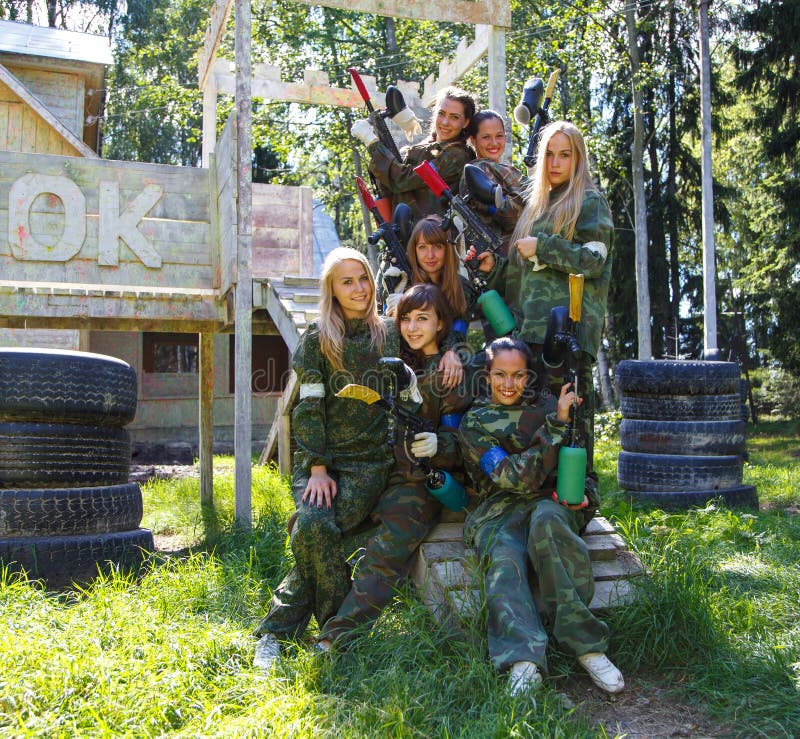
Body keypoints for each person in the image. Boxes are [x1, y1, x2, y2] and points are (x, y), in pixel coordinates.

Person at [254, 247, 400, 666]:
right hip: (319, 464)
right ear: (332, 290)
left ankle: (276, 633)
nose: (358, 288)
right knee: (316, 525)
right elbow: (307, 408)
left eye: (363, 279)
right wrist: (317, 468)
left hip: (369, 465)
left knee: (313, 531)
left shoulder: (387, 333)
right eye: (346, 281)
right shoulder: (319, 338)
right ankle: (335, 631)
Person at [458, 337, 624, 695]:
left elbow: (587, 476)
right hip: (498, 512)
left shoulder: (558, 406)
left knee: (548, 523)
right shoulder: (475, 423)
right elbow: (515, 478)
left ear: (529, 376)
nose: (508, 383)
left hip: (549, 504)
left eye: (517, 375)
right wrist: (555, 426)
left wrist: (583, 499)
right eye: (499, 374)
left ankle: (587, 646)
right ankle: (523, 659)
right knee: (504, 558)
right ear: (486, 376)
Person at [317, 283, 472, 650]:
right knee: (316, 524)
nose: (413, 327)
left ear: (440, 325)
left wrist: (441, 445)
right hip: (373, 474)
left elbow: (472, 442)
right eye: (406, 319)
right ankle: (301, 619)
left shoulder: (452, 374)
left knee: (385, 552)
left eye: (423, 319)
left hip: (417, 484)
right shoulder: (390, 361)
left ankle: (337, 638)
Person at [473, 121, 614, 475]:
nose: (555, 162)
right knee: (535, 425)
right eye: (549, 154)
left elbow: (594, 261)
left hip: (567, 334)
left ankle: (576, 504)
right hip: (527, 338)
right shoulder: (535, 208)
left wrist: (544, 247)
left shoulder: (589, 201)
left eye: (564, 155)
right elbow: (523, 280)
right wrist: (495, 269)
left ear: (578, 159)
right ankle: (536, 496)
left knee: (573, 428)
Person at [351, 86, 477, 221]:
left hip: (432, 236)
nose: (445, 122)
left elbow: (403, 180)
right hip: (409, 231)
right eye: (441, 113)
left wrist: (372, 142)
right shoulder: (428, 146)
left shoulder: (457, 155)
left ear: (466, 122)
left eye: (454, 117)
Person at [459, 110, 526, 257]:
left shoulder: (500, 169)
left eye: (499, 136)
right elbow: (512, 217)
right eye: (486, 137)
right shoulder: (478, 171)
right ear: (473, 140)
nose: (494, 143)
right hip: (496, 264)